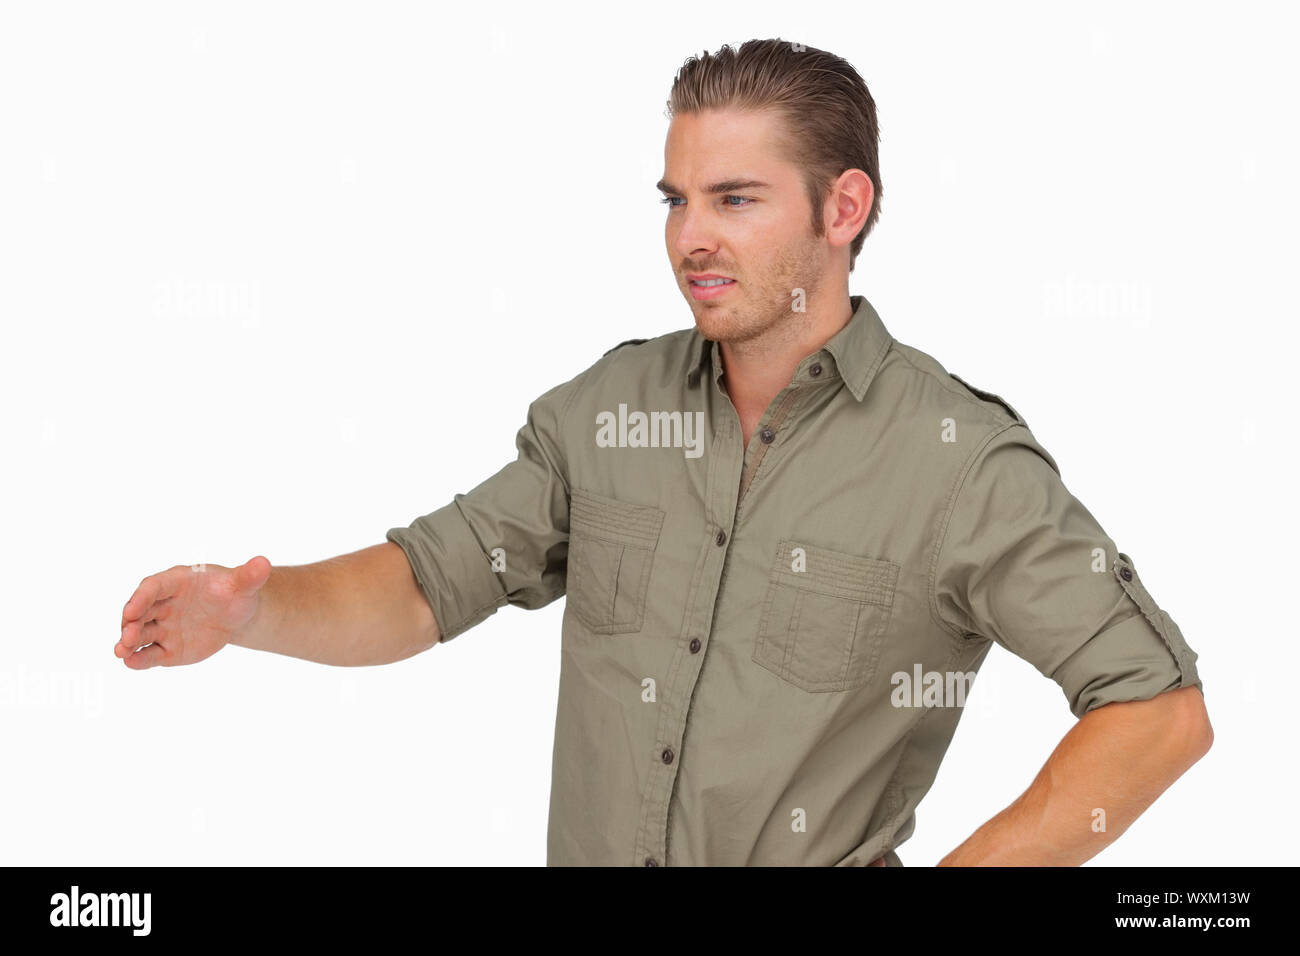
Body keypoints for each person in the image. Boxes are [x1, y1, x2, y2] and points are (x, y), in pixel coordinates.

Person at [116, 38, 1212, 866]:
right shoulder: (607, 409)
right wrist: (251, 611)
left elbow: (1156, 711)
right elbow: (426, 582)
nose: (691, 236)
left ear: (844, 206)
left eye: (736, 199)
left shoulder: (958, 462)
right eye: (677, 198)